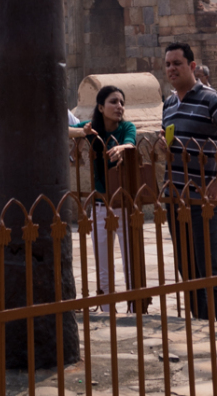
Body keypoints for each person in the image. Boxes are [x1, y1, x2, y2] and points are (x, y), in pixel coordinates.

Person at [163, 41, 217, 321]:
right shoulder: (169, 104)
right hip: (175, 198)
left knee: (209, 271)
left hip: (204, 200)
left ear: (191, 66)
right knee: (187, 271)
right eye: (168, 64)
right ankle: (202, 328)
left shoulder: (211, 99)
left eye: (177, 63)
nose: (172, 69)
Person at [80, 85, 138, 300]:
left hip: (123, 205)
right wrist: (83, 132)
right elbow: (64, 129)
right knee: (104, 270)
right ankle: (106, 312)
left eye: (122, 102)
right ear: (101, 107)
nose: (119, 106)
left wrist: (122, 148)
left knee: (131, 267)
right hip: (100, 206)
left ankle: (134, 310)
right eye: (113, 102)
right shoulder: (93, 129)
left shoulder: (126, 127)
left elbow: (131, 142)